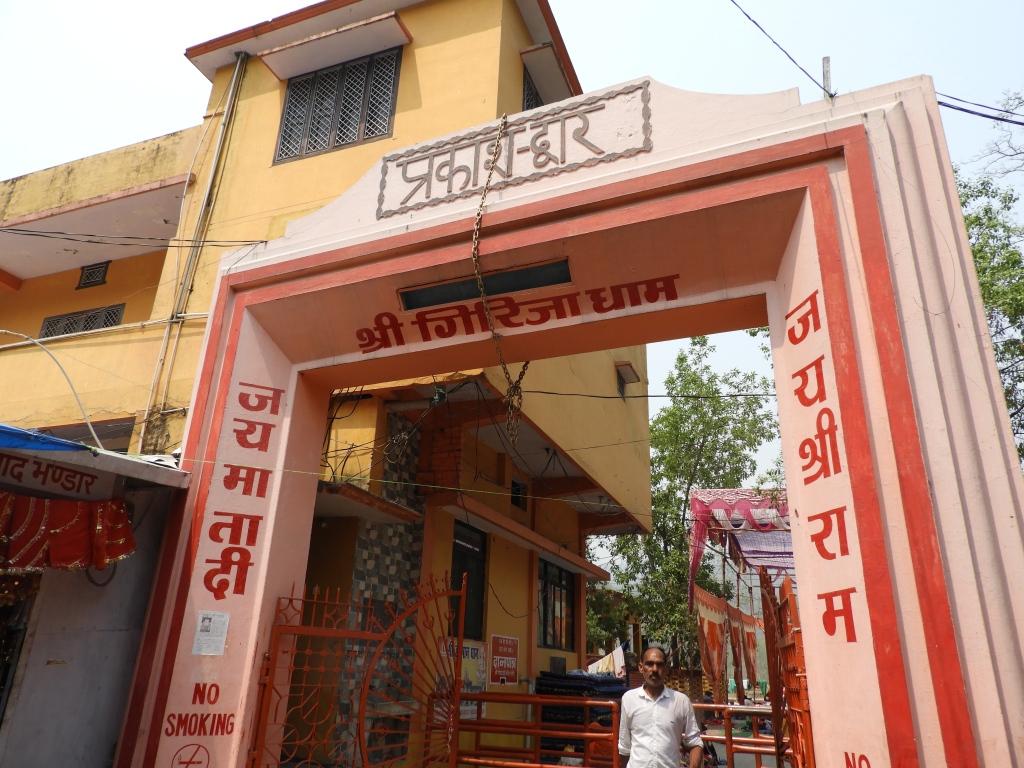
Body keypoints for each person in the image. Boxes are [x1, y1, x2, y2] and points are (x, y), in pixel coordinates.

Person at [618, 647, 703, 768]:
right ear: (641, 667)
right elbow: (624, 747)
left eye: (659, 665)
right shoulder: (629, 699)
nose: (654, 669)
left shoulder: (681, 701)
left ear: (666, 669)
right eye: (649, 664)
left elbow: (695, 743)